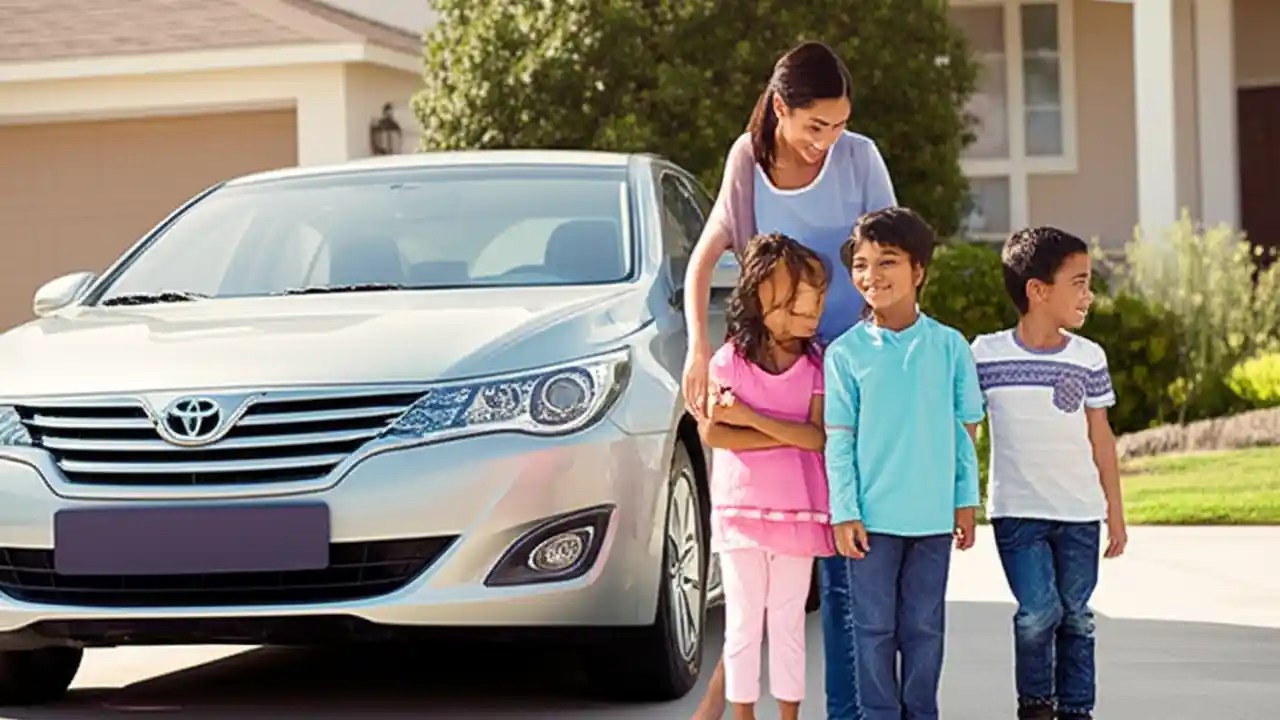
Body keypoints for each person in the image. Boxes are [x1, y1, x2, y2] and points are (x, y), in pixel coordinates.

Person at [682, 39, 897, 720]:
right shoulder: (747, 162)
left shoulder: (859, 157)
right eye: (814, 126)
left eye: (838, 125)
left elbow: (891, 253)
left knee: (839, 552)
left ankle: (841, 706)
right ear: (780, 108)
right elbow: (705, 259)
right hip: (784, 370)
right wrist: (698, 348)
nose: (827, 141)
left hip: (851, 369)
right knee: (778, 562)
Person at [823, 207, 985, 720]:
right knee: (871, 630)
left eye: (887, 262)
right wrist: (844, 511)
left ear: (919, 271)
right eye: (863, 264)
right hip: (869, 521)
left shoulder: (950, 347)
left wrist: (966, 500)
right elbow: (839, 439)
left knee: (924, 627)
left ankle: (921, 713)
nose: (872, 276)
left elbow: (966, 433)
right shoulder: (845, 354)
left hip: (933, 518)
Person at [970, 227, 1128, 720]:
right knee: (1039, 611)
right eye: (1078, 283)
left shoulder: (1088, 358)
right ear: (1038, 290)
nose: (1089, 294)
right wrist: (961, 502)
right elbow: (968, 433)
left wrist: (1116, 515)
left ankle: (1077, 710)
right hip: (1017, 513)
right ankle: (1036, 707)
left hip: (1080, 514)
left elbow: (1102, 440)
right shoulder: (987, 355)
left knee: (1077, 616)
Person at [699, 232, 836, 720]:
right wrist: (787, 433)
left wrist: (753, 419)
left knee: (787, 623)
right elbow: (715, 432)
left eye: (816, 300)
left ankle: (788, 715)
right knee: (742, 623)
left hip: (799, 514)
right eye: (798, 301)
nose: (811, 311)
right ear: (761, 299)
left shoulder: (819, 365)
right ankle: (742, 716)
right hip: (739, 513)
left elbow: (818, 437)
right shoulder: (728, 360)